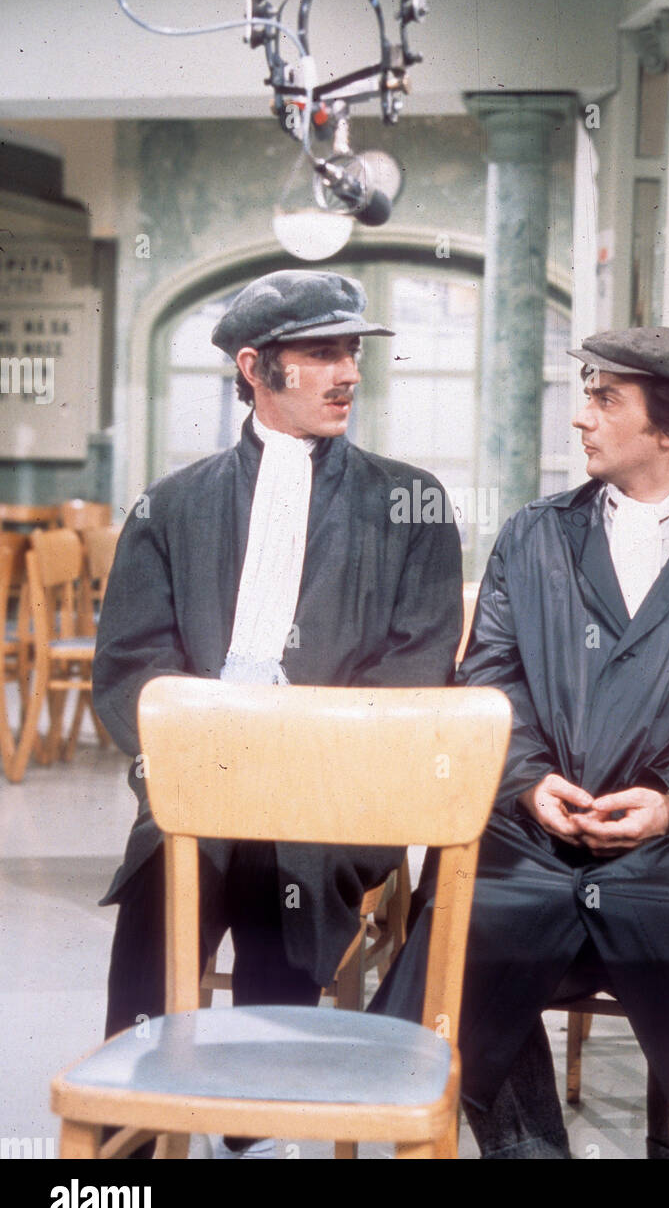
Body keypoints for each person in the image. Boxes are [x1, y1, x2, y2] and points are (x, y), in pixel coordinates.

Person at [373, 325, 669, 1159]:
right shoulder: (534, 534)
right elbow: (489, 681)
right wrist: (530, 782)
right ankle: (528, 1153)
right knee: (465, 933)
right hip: (535, 834)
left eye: (606, 399)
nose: (581, 418)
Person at [94, 270, 462, 1152]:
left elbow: (414, 671)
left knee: (282, 862)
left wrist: (301, 765)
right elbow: (133, 665)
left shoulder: (410, 506)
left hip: (343, 796)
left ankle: (255, 1115)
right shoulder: (171, 507)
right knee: (170, 871)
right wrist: (191, 765)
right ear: (256, 367)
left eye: (353, 352)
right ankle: (125, 1137)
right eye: (322, 353)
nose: (347, 374)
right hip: (201, 786)